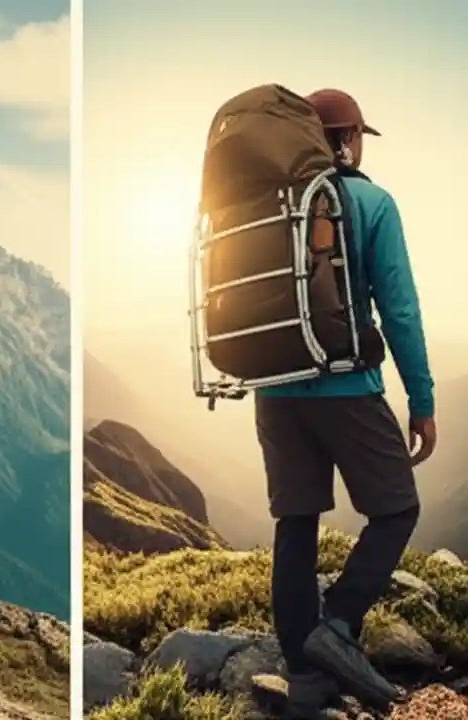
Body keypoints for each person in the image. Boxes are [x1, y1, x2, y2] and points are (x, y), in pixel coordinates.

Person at [254, 88, 435, 716]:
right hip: (345, 387)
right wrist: (422, 398)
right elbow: (401, 311)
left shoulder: (264, 206)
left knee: (295, 523)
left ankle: (306, 681)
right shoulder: (370, 202)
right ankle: (337, 628)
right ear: (350, 135)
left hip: (273, 390)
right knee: (396, 508)